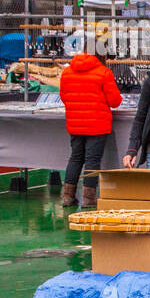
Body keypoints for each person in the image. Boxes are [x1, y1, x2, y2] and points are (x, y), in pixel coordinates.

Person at [58, 49, 122, 207]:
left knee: (75, 158)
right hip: (97, 124)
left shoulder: (67, 72)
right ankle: (88, 198)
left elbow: (64, 97)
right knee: (92, 161)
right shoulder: (104, 73)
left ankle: (67, 196)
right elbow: (115, 101)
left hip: (75, 124)